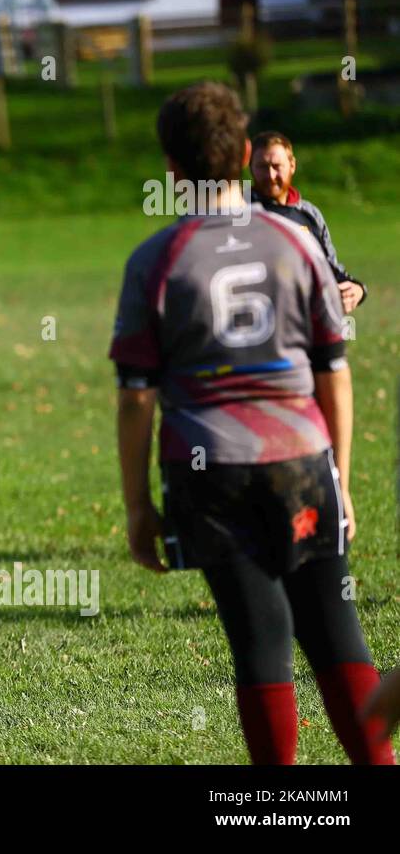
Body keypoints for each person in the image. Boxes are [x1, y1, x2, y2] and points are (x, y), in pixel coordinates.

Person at [111, 83, 392, 764]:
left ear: (171, 170)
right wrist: (340, 480)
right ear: (244, 153)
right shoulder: (294, 244)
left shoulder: (154, 261)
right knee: (336, 634)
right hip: (302, 463)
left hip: (209, 472)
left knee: (260, 640)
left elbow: (136, 397)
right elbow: (334, 370)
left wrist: (139, 508)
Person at [250, 131, 367, 312]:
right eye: (262, 167)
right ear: (251, 168)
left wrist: (357, 289)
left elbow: (329, 268)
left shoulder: (309, 214)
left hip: (306, 323)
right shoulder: (240, 213)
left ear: (292, 165)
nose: (270, 175)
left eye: (276, 166)